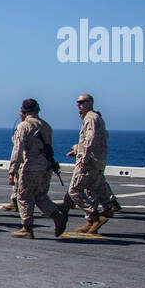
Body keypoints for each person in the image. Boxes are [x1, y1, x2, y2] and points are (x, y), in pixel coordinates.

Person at [8, 98, 68, 239]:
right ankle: (56, 215)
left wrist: (12, 171)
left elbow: (18, 150)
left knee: (23, 196)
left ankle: (27, 228)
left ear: (23, 111)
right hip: (46, 166)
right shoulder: (46, 126)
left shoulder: (24, 126)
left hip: (31, 166)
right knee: (39, 196)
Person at [63, 94, 118, 232]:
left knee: (74, 190)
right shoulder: (96, 118)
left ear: (90, 102)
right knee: (91, 190)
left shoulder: (91, 118)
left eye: (82, 102)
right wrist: (76, 149)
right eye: (77, 102)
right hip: (97, 161)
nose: (79, 105)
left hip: (89, 162)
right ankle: (93, 220)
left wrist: (82, 158)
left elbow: (90, 141)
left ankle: (95, 216)